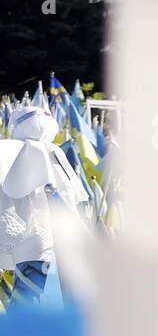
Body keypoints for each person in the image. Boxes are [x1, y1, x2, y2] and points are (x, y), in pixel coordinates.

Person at [0, 105, 90, 301]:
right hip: (51, 230)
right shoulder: (55, 152)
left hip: (29, 231)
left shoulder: (10, 148)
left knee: (29, 287)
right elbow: (71, 193)